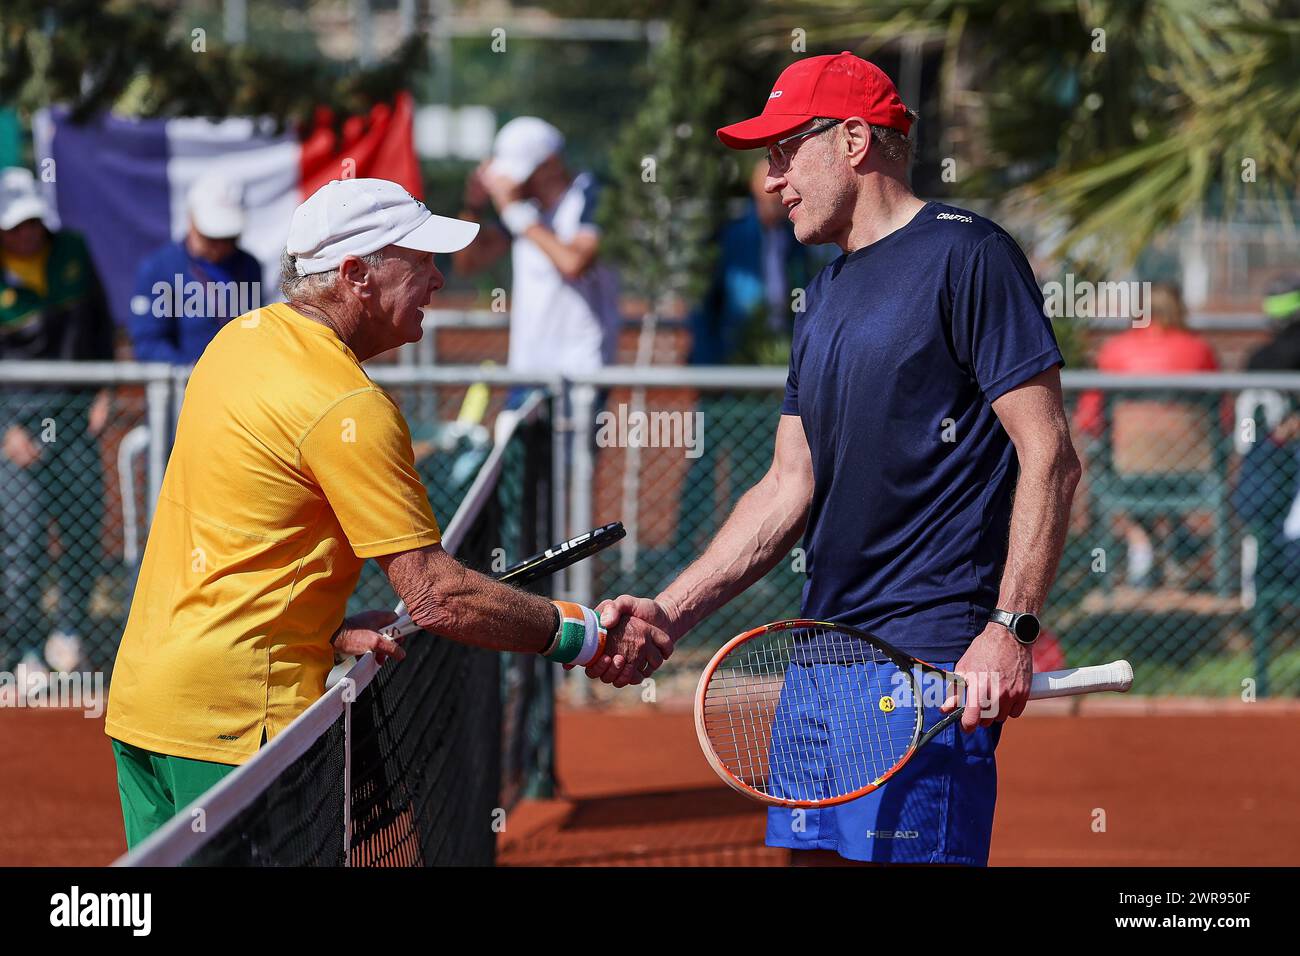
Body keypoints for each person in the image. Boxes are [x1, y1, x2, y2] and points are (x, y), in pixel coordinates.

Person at [598, 52, 1081, 866]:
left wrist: (1010, 628)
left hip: (925, 656)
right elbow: (788, 486)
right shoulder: (822, 295)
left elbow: (1052, 456)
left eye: (785, 151)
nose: (772, 180)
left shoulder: (969, 256)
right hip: (821, 656)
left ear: (854, 139)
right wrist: (669, 612)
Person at [104, 178, 670, 847]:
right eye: (420, 260)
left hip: (146, 701)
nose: (437, 280)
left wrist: (316, 624)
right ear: (355, 276)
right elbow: (438, 597)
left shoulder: (239, 340)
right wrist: (583, 634)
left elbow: (241, 525)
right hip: (234, 726)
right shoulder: (349, 405)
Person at [0, 165, 114, 686]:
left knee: (82, 533)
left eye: (33, 222)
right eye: (16, 224)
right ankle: (20, 648)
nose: (28, 233)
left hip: (74, 418)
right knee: (21, 541)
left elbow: (98, 321)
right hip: (16, 426)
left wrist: (105, 388)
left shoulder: (72, 250)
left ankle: (67, 634)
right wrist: (5, 428)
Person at [1072, 283, 1221, 588]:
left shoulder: (1115, 351)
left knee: (1105, 468)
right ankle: (1173, 547)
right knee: (1165, 481)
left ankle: (1142, 542)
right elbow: (1224, 414)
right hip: (1193, 469)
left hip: (1128, 468)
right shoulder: (1199, 350)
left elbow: (1088, 418)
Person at [453, 117, 619, 378]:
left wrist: (516, 214)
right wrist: (474, 207)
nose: (516, 184)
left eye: (525, 174)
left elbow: (574, 264)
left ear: (551, 164)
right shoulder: (526, 208)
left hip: (581, 370)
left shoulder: (593, 196)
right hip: (526, 370)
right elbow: (468, 263)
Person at [128, 174, 263, 364]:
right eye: (210, 236)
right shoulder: (159, 269)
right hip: (181, 388)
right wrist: (192, 371)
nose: (220, 246)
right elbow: (148, 343)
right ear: (191, 221)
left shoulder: (249, 266)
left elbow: (254, 330)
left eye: (229, 238)